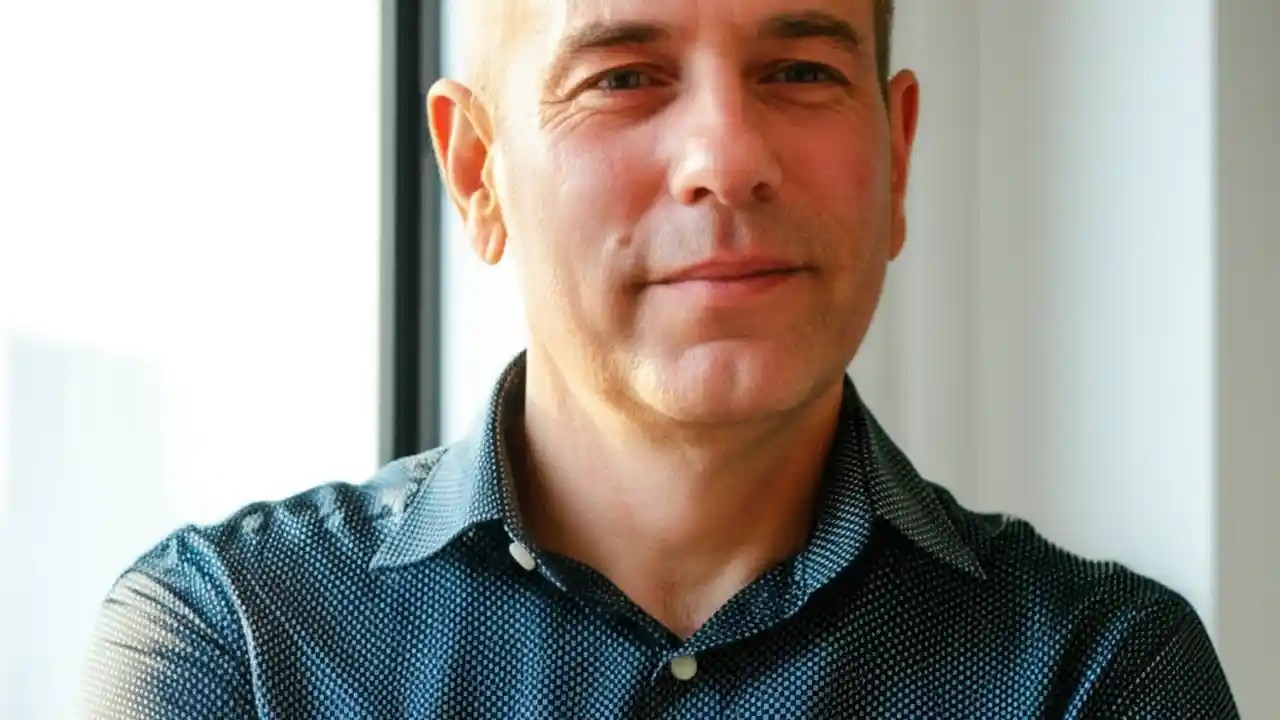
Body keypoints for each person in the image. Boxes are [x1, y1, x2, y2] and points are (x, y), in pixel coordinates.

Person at [82, 0, 1238, 717]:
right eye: (623, 76)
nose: (724, 158)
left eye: (796, 71)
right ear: (477, 173)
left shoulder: (1097, 678)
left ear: (895, 155)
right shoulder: (235, 647)